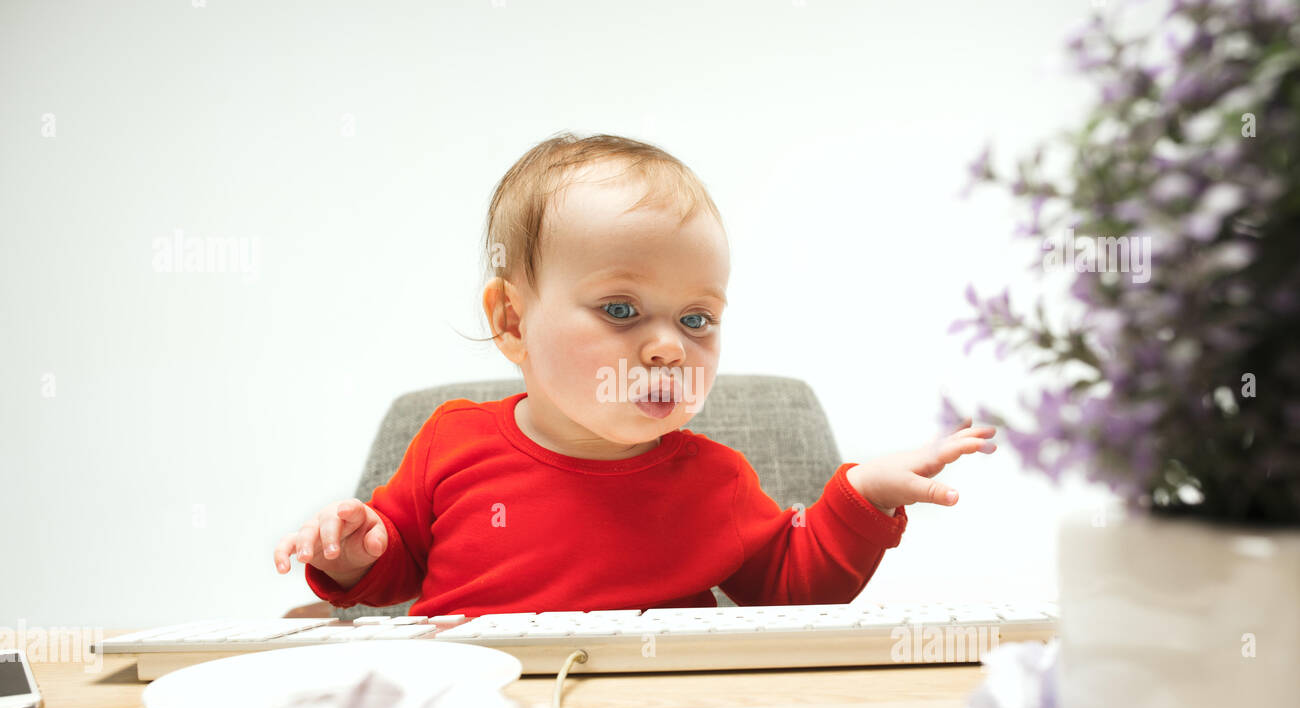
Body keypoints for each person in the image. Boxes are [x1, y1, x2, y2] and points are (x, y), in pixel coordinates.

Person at [272, 132, 996, 616]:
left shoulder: (716, 481)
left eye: (696, 319)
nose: (669, 349)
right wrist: (354, 553)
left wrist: (862, 496)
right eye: (622, 308)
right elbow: (392, 567)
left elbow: (793, 584)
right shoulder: (449, 442)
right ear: (514, 322)